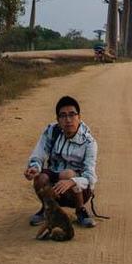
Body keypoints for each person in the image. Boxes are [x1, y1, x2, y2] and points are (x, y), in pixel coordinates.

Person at [24, 95, 97, 229]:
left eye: (72, 115)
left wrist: (72, 181)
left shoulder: (89, 142)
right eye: (63, 116)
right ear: (58, 120)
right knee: (40, 178)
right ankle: (48, 208)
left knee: (68, 174)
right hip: (55, 184)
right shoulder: (52, 131)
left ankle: (81, 210)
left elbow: (90, 177)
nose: (68, 120)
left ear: (79, 117)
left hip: (79, 190)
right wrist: (34, 168)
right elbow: (38, 154)